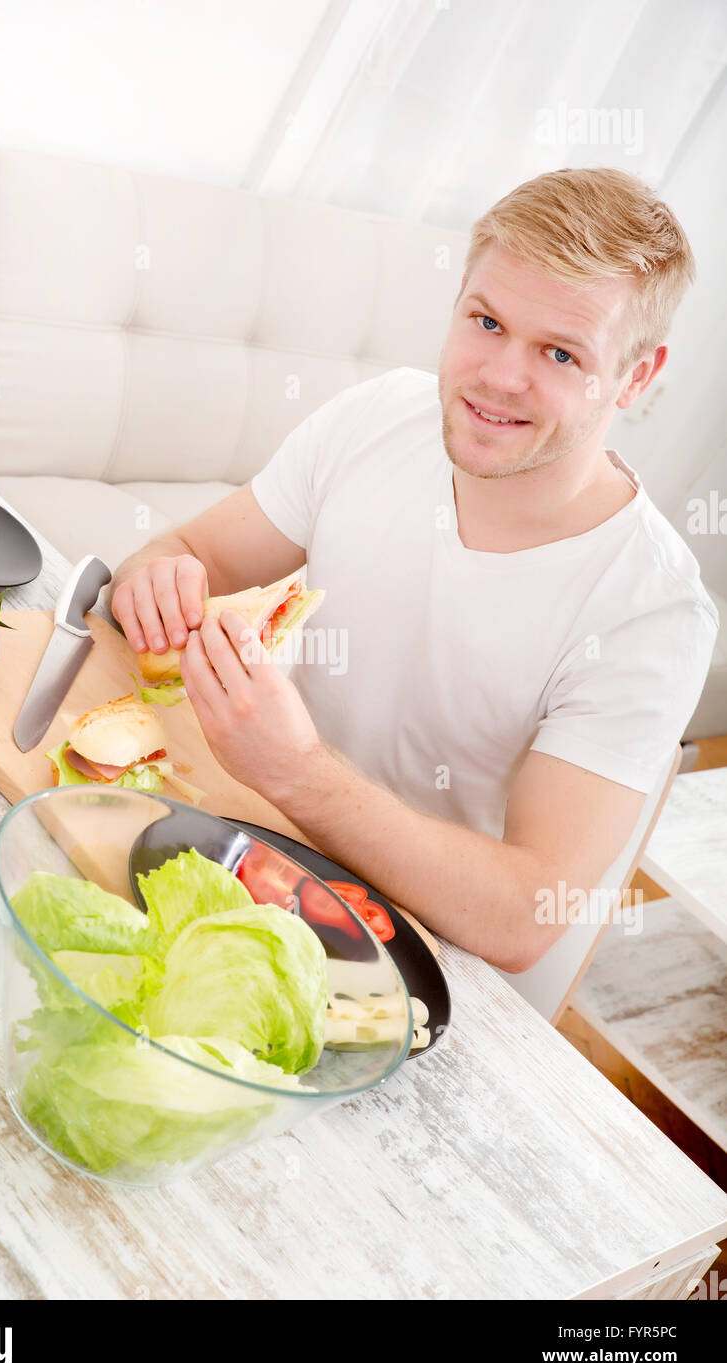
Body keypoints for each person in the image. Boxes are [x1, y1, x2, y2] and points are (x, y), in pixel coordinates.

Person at [109, 167, 718, 975]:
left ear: (636, 376)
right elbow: (191, 553)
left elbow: (526, 915)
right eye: (488, 321)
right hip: (245, 855)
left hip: (416, 963)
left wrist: (294, 773)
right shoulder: (376, 416)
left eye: (561, 353)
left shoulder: (652, 614)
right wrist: (156, 579)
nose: (501, 376)